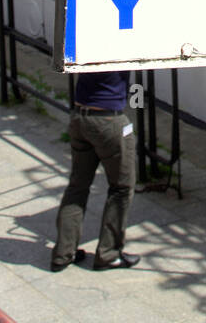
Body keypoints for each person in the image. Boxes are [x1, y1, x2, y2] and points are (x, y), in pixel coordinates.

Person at [51, 71, 140, 271]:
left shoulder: (82, 38)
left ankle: (63, 253)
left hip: (80, 115)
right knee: (122, 188)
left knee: (77, 186)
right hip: (109, 119)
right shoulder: (120, 38)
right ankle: (108, 254)